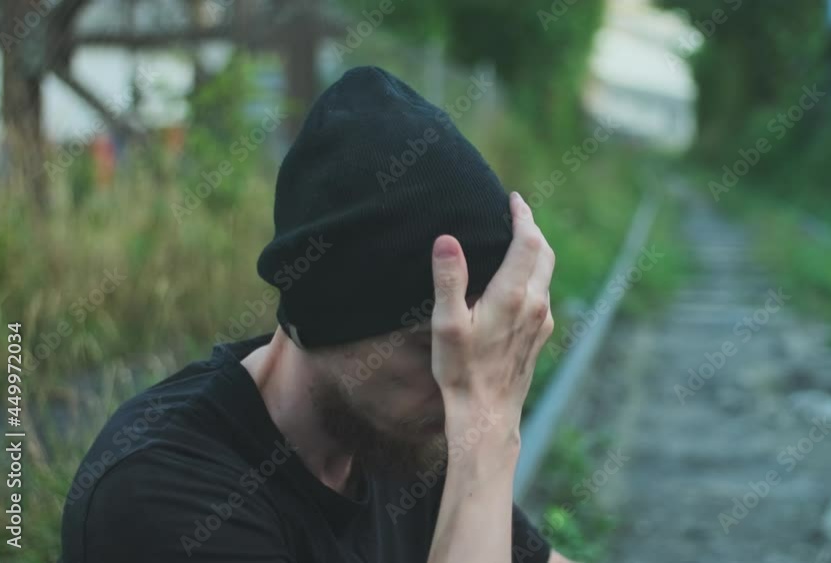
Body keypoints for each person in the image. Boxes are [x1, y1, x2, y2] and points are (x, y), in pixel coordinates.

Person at [61, 66, 577, 563]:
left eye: (481, 346)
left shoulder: (401, 437)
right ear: (329, 316)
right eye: (432, 347)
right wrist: (489, 436)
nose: (463, 382)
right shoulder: (166, 499)